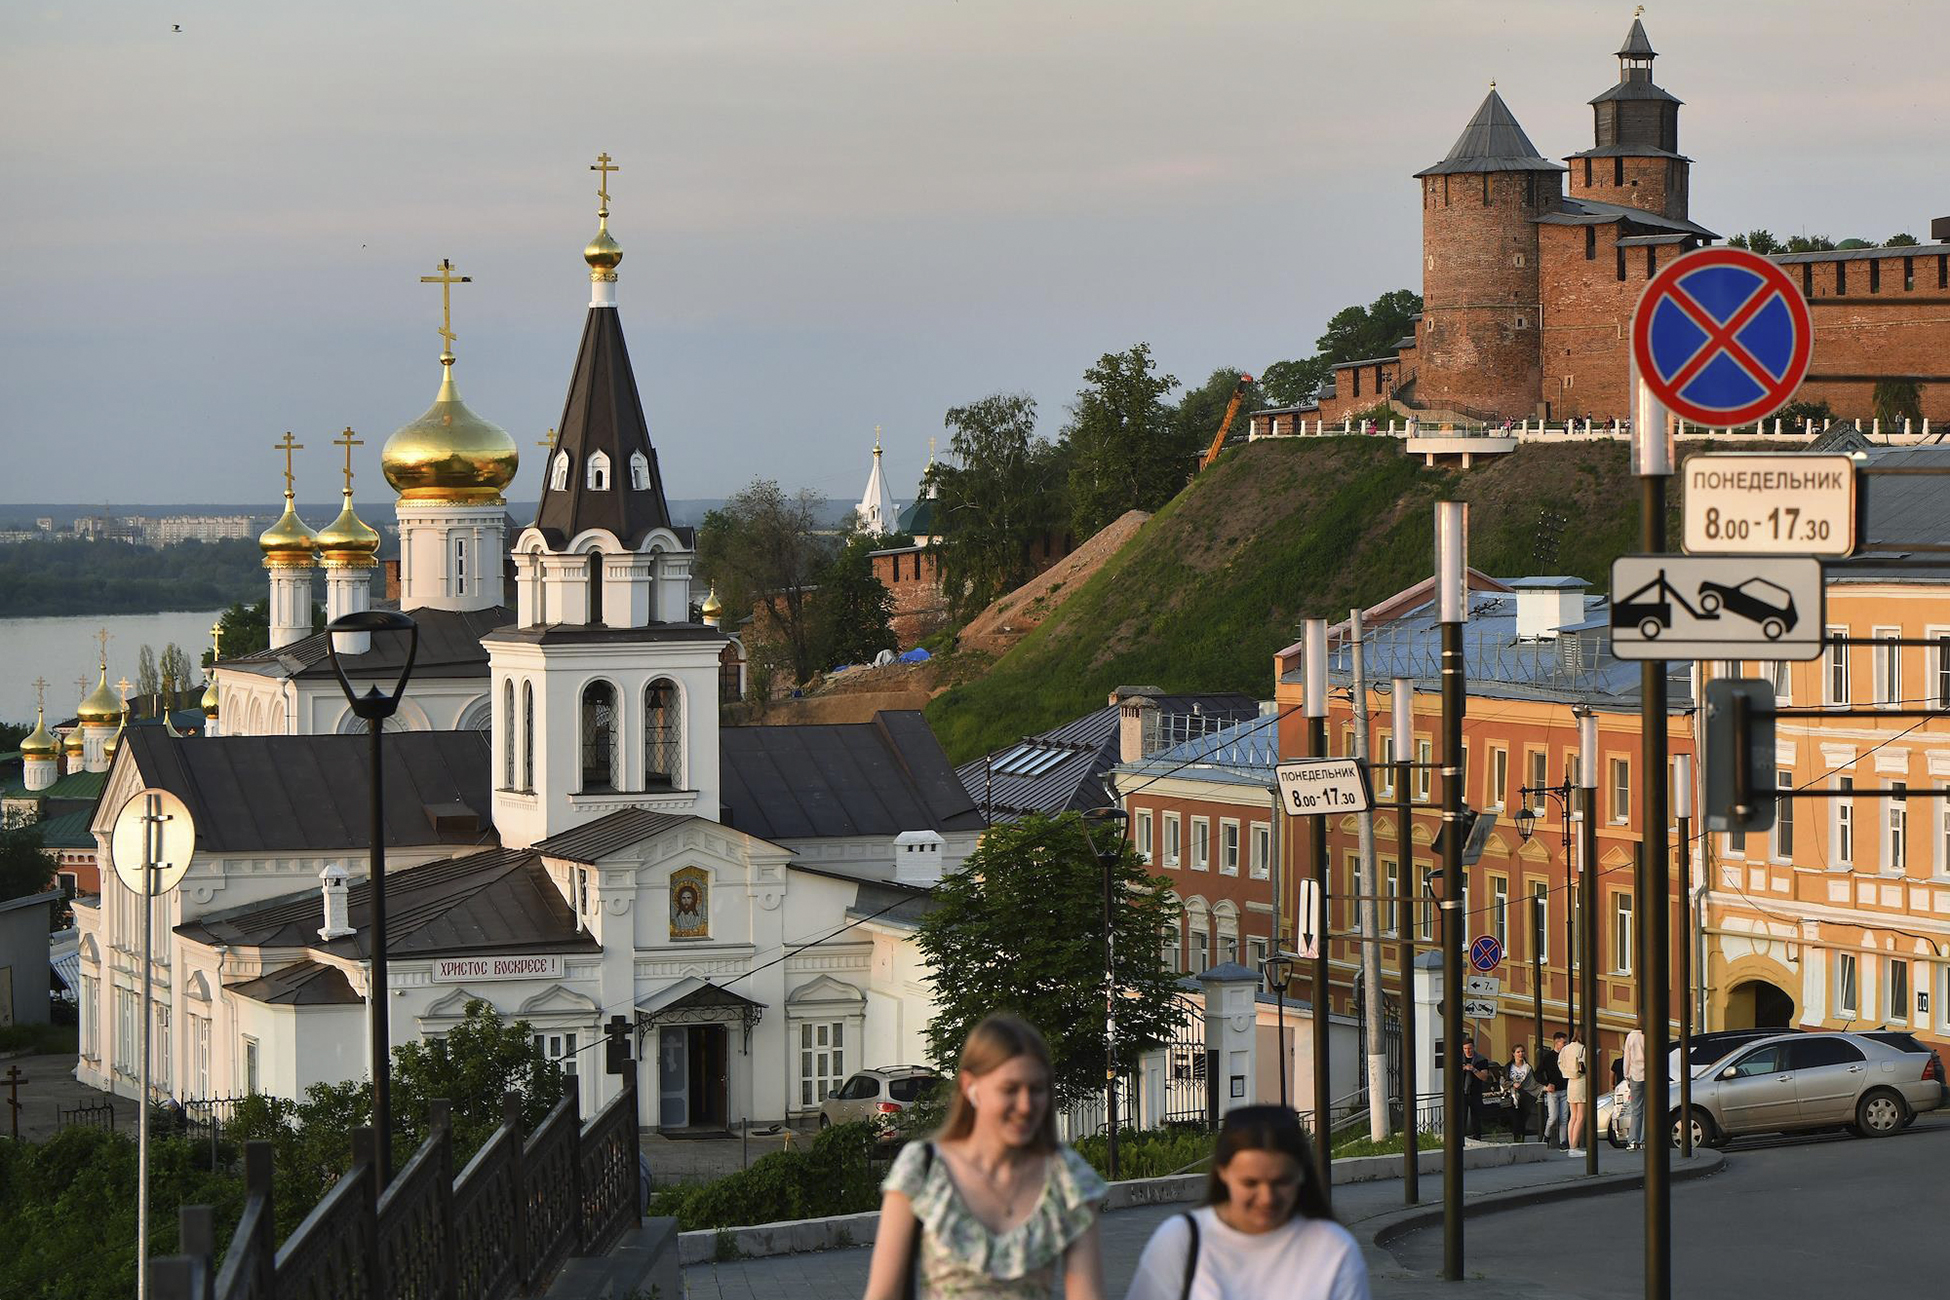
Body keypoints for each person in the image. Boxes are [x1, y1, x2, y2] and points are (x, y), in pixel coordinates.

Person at [865, 1014, 1107, 1300]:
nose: (1026, 1105)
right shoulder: (923, 1168)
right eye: (1010, 1089)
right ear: (970, 1087)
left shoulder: (1068, 1177)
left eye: (1037, 1089)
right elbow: (883, 1294)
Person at [1124, 1106, 1369, 1300]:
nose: (1267, 1198)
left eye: (1282, 1182)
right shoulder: (1181, 1240)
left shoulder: (1333, 1248)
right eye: (1250, 1183)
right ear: (1222, 1172)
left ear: (1302, 1174)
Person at [1536, 1032, 1568, 1149]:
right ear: (1556, 1042)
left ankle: (1563, 1142)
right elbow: (1537, 1073)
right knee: (1553, 1117)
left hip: (1565, 1090)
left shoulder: (1566, 1056)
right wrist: (1546, 1084)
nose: (1565, 1044)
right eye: (1563, 1042)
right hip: (1553, 1092)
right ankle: (1546, 1136)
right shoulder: (1548, 1057)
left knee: (1564, 1118)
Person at [1504, 1044, 1541, 1143]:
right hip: (1512, 1097)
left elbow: (1533, 1082)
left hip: (1525, 1097)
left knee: (1523, 1120)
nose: (1521, 1054)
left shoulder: (1527, 1067)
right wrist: (1512, 1084)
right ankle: (1516, 1140)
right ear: (1513, 1054)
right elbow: (1503, 1081)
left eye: (1522, 1051)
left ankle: (1521, 1141)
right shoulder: (1508, 1067)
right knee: (1515, 1120)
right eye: (1518, 1052)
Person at [1560, 1027, 1588, 1157]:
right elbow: (1585, 1065)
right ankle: (1574, 1146)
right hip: (1581, 1080)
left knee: (1573, 1116)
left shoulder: (1566, 1048)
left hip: (1570, 1081)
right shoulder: (1582, 1048)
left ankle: (1571, 1145)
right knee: (1581, 1116)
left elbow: (1560, 1062)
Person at [1458, 1037, 1493, 1140]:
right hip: (1462, 1091)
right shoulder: (1459, 1059)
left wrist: (1473, 1069)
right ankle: (1461, 1137)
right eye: (1465, 1049)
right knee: (1461, 1116)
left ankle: (1477, 1137)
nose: (1467, 1051)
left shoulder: (1481, 1060)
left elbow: (1484, 1077)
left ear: (1473, 1048)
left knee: (1476, 1116)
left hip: (1475, 1091)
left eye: (1469, 1048)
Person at [1623, 1025, 1647, 1151]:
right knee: (1648, 1109)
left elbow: (1627, 1059)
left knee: (1636, 1109)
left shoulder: (1631, 1037)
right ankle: (1644, 1140)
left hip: (1635, 1075)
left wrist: (1627, 1076)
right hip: (1649, 1075)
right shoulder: (1649, 1034)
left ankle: (1633, 1140)